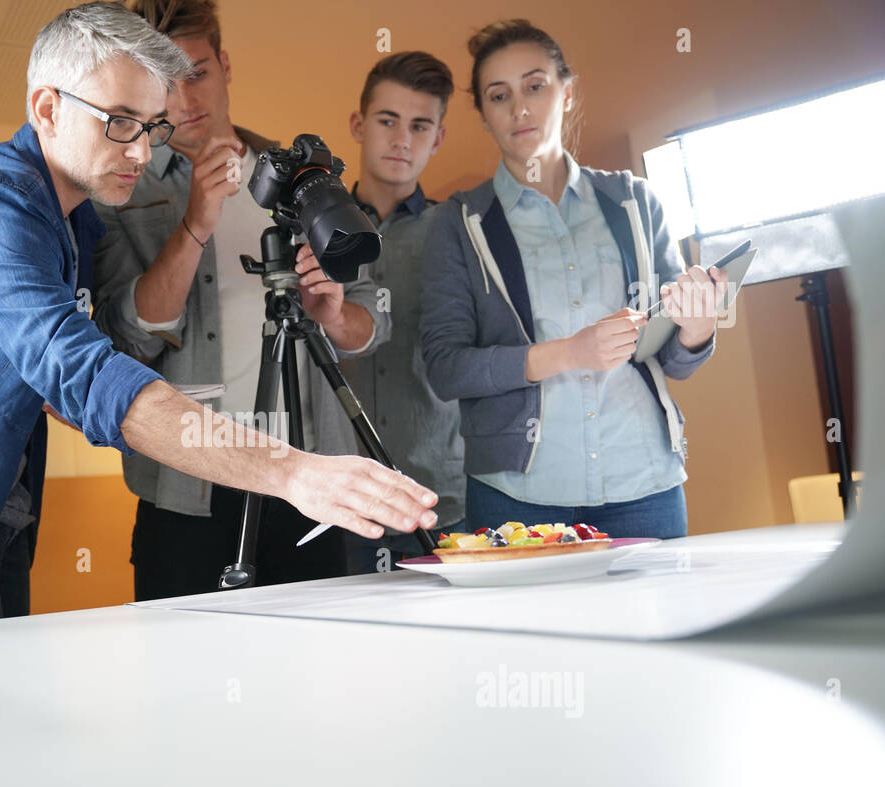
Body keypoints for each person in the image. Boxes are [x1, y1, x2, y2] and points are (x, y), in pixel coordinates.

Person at [0, 2, 438, 623]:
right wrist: (292, 469)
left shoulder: (75, 221)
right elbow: (94, 376)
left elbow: (60, 372)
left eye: (152, 126)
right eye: (120, 121)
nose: (141, 151)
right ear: (47, 109)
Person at [93, 0, 392, 601]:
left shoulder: (306, 179)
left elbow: (372, 326)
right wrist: (196, 222)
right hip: (189, 482)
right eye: (163, 82)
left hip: (309, 472)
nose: (184, 97)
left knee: (320, 672)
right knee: (187, 678)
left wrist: (332, 312)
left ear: (225, 64)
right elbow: (131, 338)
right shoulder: (124, 191)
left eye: (198, 71)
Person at [420, 20, 729, 540]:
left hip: (646, 483)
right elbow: (447, 369)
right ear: (484, 114)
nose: (520, 108)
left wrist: (696, 327)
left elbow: (673, 358)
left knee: (662, 625)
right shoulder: (458, 224)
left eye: (535, 85)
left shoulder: (635, 203)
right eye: (499, 95)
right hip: (516, 496)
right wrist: (569, 352)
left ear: (567, 91)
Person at [340, 51, 466, 574]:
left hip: (440, 496)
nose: (401, 140)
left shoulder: (460, 233)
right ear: (358, 125)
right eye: (387, 121)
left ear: (437, 138)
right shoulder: (313, 232)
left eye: (419, 126)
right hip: (340, 501)